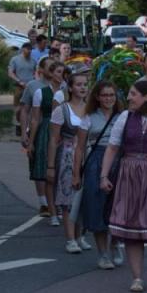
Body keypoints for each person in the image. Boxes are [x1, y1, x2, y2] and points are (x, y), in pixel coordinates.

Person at [100, 80, 147, 293]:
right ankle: (136, 277)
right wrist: (104, 175)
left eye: (133, 94)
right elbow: (113, 147)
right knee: (131, 226)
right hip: (129, 174)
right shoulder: (125, 118)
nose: (129, 97)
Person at [80, 80, 124, 269]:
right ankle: (103, 253)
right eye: (104, 95)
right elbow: (80, 147)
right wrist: (76, 173)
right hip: (96, 159)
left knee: (118, 206)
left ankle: (115, 241)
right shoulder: (89, 117)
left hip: (119, 161)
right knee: (97, 206)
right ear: (97, 97)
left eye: (111, 95)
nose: (108, 99)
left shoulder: (123, 116)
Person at [47, 71, 91, 253]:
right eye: (79, 84)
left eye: (85, 84)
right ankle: (70, 238)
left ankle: (81, 235)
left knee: (84, 198)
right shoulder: (61, 110)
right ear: (70, 88)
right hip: (67, 155)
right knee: (68, 198)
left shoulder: (91, 109)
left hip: (88, 154)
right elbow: (53, 139)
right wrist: (50, 166)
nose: (82, 88)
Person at [28, 60, 66, 224]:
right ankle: (51, 210)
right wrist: (31, 141)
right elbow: (35, 118)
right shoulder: (41, 92)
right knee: (47, 172)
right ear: (51, 74)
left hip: (64, 129)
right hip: (46, 130)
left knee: (62, 171)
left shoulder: (68, 92)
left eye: (64, 73)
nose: (61, 76)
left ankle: (60, 206)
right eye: (58, 72)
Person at [19, 58, 50, 216]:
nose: (53, 71)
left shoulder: (64, 86)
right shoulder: (33, 86)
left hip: (57, 130)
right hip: (38, 130)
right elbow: (25, 109)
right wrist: (24, 132)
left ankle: (54, 201)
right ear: (42, 70)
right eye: (49, 67)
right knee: (39, 165)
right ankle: (43, 202)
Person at [8, 42, 36, 126]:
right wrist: (19, 81)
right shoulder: (15, 59)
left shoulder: (33, 61)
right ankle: (17, 123)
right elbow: (10, 73)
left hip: (30, 87)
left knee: (29, 107)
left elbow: (36, 73)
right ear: (23, 49)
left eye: (31, 49)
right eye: (28, 49)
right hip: (19, 86)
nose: (29, 51)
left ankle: (27, 124)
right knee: (18, 106)